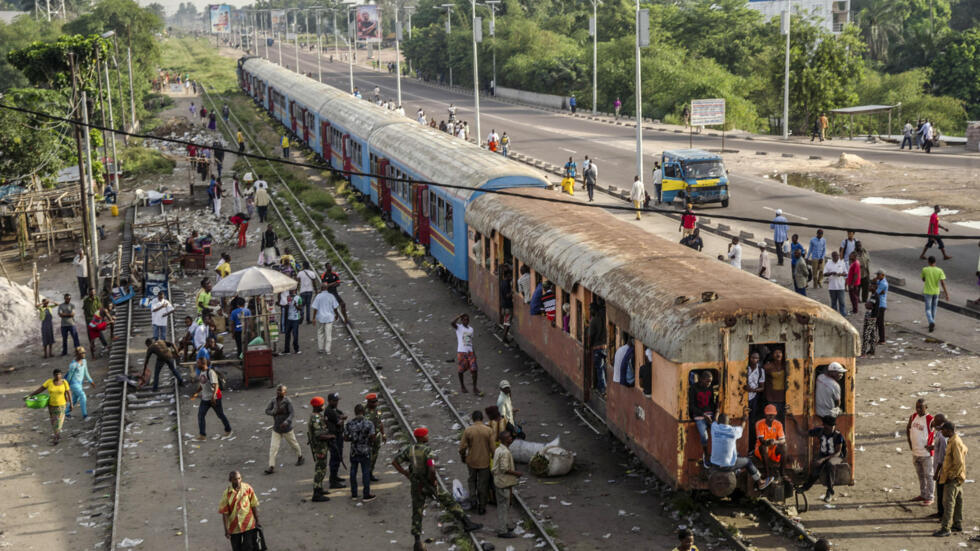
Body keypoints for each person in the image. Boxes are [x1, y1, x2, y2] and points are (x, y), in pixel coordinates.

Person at [393, 427, 481, 550]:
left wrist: (405, 473)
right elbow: (432, 469)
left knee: (417, 511)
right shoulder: (428, 451)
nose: (427, 436)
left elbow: (395, 461)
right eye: (426, 435)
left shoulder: (409, 449)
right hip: (428, 484)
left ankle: (417, 542)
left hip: (416, 486)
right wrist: (433, 480)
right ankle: (467, 523)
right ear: (421, 437)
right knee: (449, 501)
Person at [708, 414, 774, 490]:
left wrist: (716, 412)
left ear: (718, 422)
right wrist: (744, 420)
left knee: (736, 453)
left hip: (715, 464)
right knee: (748, 461)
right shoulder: (733, 431)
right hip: (728, 466)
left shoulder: (714, 428)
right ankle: (760, 482)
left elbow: (713, 421)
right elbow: (742, 428)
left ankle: (737, 471)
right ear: (729, 422)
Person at [799, 416, 846, 502]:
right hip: (824, 455)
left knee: (830, 465)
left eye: (833, 426)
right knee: (815, 468)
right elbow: (803, 433)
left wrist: (823, 459)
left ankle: (830, 492)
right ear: (824, 425)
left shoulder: (838, 435)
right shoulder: (819, 431)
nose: (831, 428)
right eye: (829, 426)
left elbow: (838, 452)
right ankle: (805, 487)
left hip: (836, 456)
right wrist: (794, 420)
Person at [934, 421, 967, 537]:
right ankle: (957, 524)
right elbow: (965, 451)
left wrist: (951, 476)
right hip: (958, 477)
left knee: (948, 503)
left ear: (948, 430)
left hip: (953, 478)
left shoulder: (955, 442)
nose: (941, 432)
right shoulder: (955, 440)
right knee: (958, 501)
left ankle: (946, 528)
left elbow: (958, 462)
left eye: (943, 430)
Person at [459, 410, 494, 515]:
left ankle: (473, 499)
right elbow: (493, 448)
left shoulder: (468, 430)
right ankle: (482, 506)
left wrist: (463, 456)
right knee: (483, 484)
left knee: (472, 480)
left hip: (472, 460)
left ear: (473, 419)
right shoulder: (488, 430)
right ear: (482, 418)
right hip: (485, 461)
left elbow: (462, 447)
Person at [264, 384, 303, 475]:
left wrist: (286, 422)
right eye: (277, 390)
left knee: (293, 444)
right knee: (273, 448)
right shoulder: (273, 400)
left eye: (280, 391)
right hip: (276, 428)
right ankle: (271, 466)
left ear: (285, 392)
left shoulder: (288, 401)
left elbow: (292, 414)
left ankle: (300, 456)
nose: (278, 392)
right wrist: (274, 412)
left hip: (286, 428)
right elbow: (267, 410)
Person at [218, 471, 262, 550]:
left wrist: (257, 520)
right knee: (236, 548)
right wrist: (226, 530)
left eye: (239, 478)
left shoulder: (247, 488)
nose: (238, 481)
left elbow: (253, 505)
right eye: (235, 479)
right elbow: (225, 513)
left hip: (248, 524)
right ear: (230, 480)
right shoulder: (226, 494)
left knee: (249, 547)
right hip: (234, 527)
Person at [26, 368, 71, 444]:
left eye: (59, 374)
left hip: (61, 405)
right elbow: (40, 389)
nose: (58, 376)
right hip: (51, 405)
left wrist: (71, 403)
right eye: (56, 374)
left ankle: (56, 437)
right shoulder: (49, 382)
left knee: (59, 421)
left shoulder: (64, 382)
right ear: (53, 375)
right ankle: (57, 434)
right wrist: (30, 395)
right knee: (53, 421)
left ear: (61, 375)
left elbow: (68, 392)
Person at [492, 429, 523, 538]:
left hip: (499, 481)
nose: (511, 438)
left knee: (503, 506)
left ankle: (504, 526)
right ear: (506, 440)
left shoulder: (499, 449)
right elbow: (504, 468)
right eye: (510, 437)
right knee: (503, 506)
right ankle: (502, 530)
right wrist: (517, 473)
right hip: (503, 482)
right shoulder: (505, 452)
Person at [193, 358, 232, 441]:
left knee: (220, 414)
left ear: (203, 363)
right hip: (205, 399)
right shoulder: (202, 372)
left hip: (214, 398)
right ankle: (202, 435)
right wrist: (197, 392)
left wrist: (214, 397)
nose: (196, 365)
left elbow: (216, 385)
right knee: (200, 415)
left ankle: (228, 430)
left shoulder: (210, 372)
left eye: (198, 363)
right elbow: (202, 384)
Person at [344, 403, 377, 501]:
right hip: (365, 450)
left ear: (355, 412)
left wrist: (354, 439)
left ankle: (354, 494)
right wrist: (367, 441)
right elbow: (372, 437)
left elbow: (345, 438)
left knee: (353, 471)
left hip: (354, 451)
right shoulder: (369, 423)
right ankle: (366, 494)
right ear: (364, 411)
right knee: (365, 472)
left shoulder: (349, 423)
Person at [907, 398, 936, 506]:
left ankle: (930, 497)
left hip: (926, 455)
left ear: (926, 407)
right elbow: (908, 428)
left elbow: (944, 432)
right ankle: (923, 494)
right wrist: (910, 444)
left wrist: (934, 446)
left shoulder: (930, 420)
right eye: (917, 407)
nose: (918, 410)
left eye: (921, 407)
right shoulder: (913, 417)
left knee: (929, 475)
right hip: (915, 453)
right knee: (920, 475)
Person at [307, 396, 333, 502]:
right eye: (322, 405)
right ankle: (316, 494)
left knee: (322, 468)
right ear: (318, 406)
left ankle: (319, 488)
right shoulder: (316, 418)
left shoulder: (317, 416)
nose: (324, 406)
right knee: (320, 469)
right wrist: (330, 436)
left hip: (321, 447)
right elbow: (319, 435)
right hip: (319, 447)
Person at [688, 370, 716, 464]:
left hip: (710, 414)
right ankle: (706, 455)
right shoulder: (693, 388)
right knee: (704, 436)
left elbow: (712, 402)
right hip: (699, 415)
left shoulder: (710, 388)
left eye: (710, 381)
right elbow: (691, 406)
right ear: (701, 379)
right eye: (707, 381)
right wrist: (703, 415)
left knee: (718, 432)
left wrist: (714, 415)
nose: (709, 383)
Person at [451, 313, 481, 395]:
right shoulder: (459, 328)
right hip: (461, 352)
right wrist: (458, 316)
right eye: (464, 319)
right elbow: (452, 323)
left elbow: (470, 342)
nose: (466, 321)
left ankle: (474, 388)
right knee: (461, 370)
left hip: (470, 352)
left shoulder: (471, 329)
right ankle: (462, 386)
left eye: (467, 319)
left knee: (474, 369)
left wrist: (474, 353)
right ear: (461, 320)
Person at [755, 404, 786, 478]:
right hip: (762, 450)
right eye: (769, 415)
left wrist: (775, 442)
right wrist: (769, 442)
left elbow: (783, 440)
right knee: (764, 447)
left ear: (775, 415)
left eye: (772, 415)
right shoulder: (760, 424)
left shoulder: (778, 424)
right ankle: (767, 473)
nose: (771, 417)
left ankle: (782, 472)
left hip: (773, 449)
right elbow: (762, 441)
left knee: (784, 447)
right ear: (765, 415)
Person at [64, 347, 94, 421]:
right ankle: (85, 415)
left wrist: (91, 381)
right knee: (82, 396)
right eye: (82, 353)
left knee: (75, 399)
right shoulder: (73, 365)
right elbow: (69, 377)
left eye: (84, 353)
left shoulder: (84, 361)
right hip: (73, 384)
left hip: (79, 384)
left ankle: (66, 413)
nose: (84, 355)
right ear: (77, 354)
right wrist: (66, 387)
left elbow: (86, 372)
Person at [324, 393, 347, 489]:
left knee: (338, 456)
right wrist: (341, 419)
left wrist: (341, 418)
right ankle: (333, 482)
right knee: (335, 457)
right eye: (334, 401)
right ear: (329, 401)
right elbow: (339, 421)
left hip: (338, 436)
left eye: (337, 400)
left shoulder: (334, 410)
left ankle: (334, 476)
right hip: (334, 437)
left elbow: (342, 415)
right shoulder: (329, 411)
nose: (337, 402)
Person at [921, 256, 949, 333]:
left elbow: (923, 279)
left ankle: (931, 322)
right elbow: (942, 283)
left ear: (928, 262)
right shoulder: (940, 270)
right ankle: (932, 322)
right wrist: (946, 294)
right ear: (935, 262)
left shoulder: (925, 269)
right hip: (936, 292)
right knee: (934, 308)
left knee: (927, 309)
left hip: (927, 292)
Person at [929, 414, 949, 521]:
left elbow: (943, 456)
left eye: (935, 421)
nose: (933, 423)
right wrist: (931, 447)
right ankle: (940, 512)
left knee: (944, 493)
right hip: (938, 466)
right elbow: (938, 448)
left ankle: (944, 515)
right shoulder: (939, 432)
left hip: (942, 469)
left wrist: (937, 472)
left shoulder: (943, 435)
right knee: (940, 492)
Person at [311, 285, 341, 354]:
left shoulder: (318, 296)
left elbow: (315, 308)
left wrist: (313, 318)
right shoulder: (331, 296)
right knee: (328, 334)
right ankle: (328, 350)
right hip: (329, 317)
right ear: (327, 288)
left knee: (320, 333)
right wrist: (336, 314)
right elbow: (335, 307)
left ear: (321, 288)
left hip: (320, 317)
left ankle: (320, 348)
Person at [365, 393, 386, 481]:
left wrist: (383, 434)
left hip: (377, 436)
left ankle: (370, 472)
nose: (375, 403)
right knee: (368, 456)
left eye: (376, 401)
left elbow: (380, 423)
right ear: (368, 402)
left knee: (375, 455)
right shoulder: (364, 411)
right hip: (368, 438)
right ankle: (366, 473)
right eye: (373, 402)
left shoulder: (378, 410)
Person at [821, 251, 847, 317]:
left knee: (842, 302)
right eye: (834, 256)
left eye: (837, 256)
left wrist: (840, 274)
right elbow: (824, 273)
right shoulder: (828, 263)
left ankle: (842, 314)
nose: (836, 257)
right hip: (832, 287)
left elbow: (846, 273)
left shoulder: (842, 262)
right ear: (832, 257)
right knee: (833, 302)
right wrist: (831, 273)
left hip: (840, 286)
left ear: (838, 256)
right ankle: (834, 315)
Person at [763, 349, 787, 417]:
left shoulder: (786, 365)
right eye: (776, 352)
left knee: (782, 416)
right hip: (772, 396)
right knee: (773, 416)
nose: (778, 354)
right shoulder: (768, 366)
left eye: (780, 352)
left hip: (783, 396)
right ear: (772, 355)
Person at [588, 308, 607, 393]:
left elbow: (591, 335)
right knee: (604, 367)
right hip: (605, 346)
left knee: (599, 369)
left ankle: (602, 388)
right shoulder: (604, 319)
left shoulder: (593, 321)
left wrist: (590, 345)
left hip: (597, 347)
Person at [872, 270, 888, 342]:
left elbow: (876, 292)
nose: (877, 276)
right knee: (875, 322)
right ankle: (874, 337)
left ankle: (882, 339)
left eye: (878, 275)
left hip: (881, 304)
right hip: (878, 304)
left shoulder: (883, 283)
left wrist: (873, 287)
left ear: (882, 275)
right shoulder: (880, 281)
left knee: (880, 323)